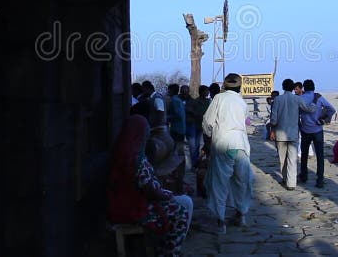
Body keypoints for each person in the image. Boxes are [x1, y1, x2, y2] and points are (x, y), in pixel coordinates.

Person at [107, 114, 193, 257]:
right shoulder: (135, 161)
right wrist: (165, 194)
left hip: (121, 206)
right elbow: (150, 191)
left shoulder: (120, 156)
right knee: (181, 210)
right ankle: (170, 251)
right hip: (135, 209)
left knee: (182, 202)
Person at [201, 73, 254, 234]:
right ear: (239, 86)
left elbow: (207, 122)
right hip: (241, 144)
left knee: (219, 182)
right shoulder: (241, 101)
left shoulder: (218, 98)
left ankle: (221, 222)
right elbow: (245, 121)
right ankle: (241, 214)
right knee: (242, 180)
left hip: (223, 142)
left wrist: (209, 137)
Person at [268, 78, 317, 190]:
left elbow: (273, 119)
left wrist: (272, 130)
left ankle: (285, 178)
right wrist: (315, 103)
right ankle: (291, 183)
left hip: (280, 134)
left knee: (282, 159)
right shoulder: (297, 99)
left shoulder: (277, 100)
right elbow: (308, 109)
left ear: (283, 87)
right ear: (292, 88)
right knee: (292, 159)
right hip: (293, 133)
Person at [297, 79, 335, 188]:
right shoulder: (319, 98)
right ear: (314, 87)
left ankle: (304, 176)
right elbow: (331, 109)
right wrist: (324, 119)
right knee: (320, 155)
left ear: (304, 88)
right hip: (318, 129)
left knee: (304, 155)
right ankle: (320, 180)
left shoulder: (300, 99)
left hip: (305, 129)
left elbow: (296, 113)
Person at [185, 85, 210, 170]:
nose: (208, 93)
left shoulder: (208, 102)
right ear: (202, 92)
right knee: (194, 146)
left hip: (204, 127)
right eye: (206, 91)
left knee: (199, 145)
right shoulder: (195, 102)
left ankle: (198, 163)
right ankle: (194, 164)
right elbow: (190, 112)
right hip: (195, 125)